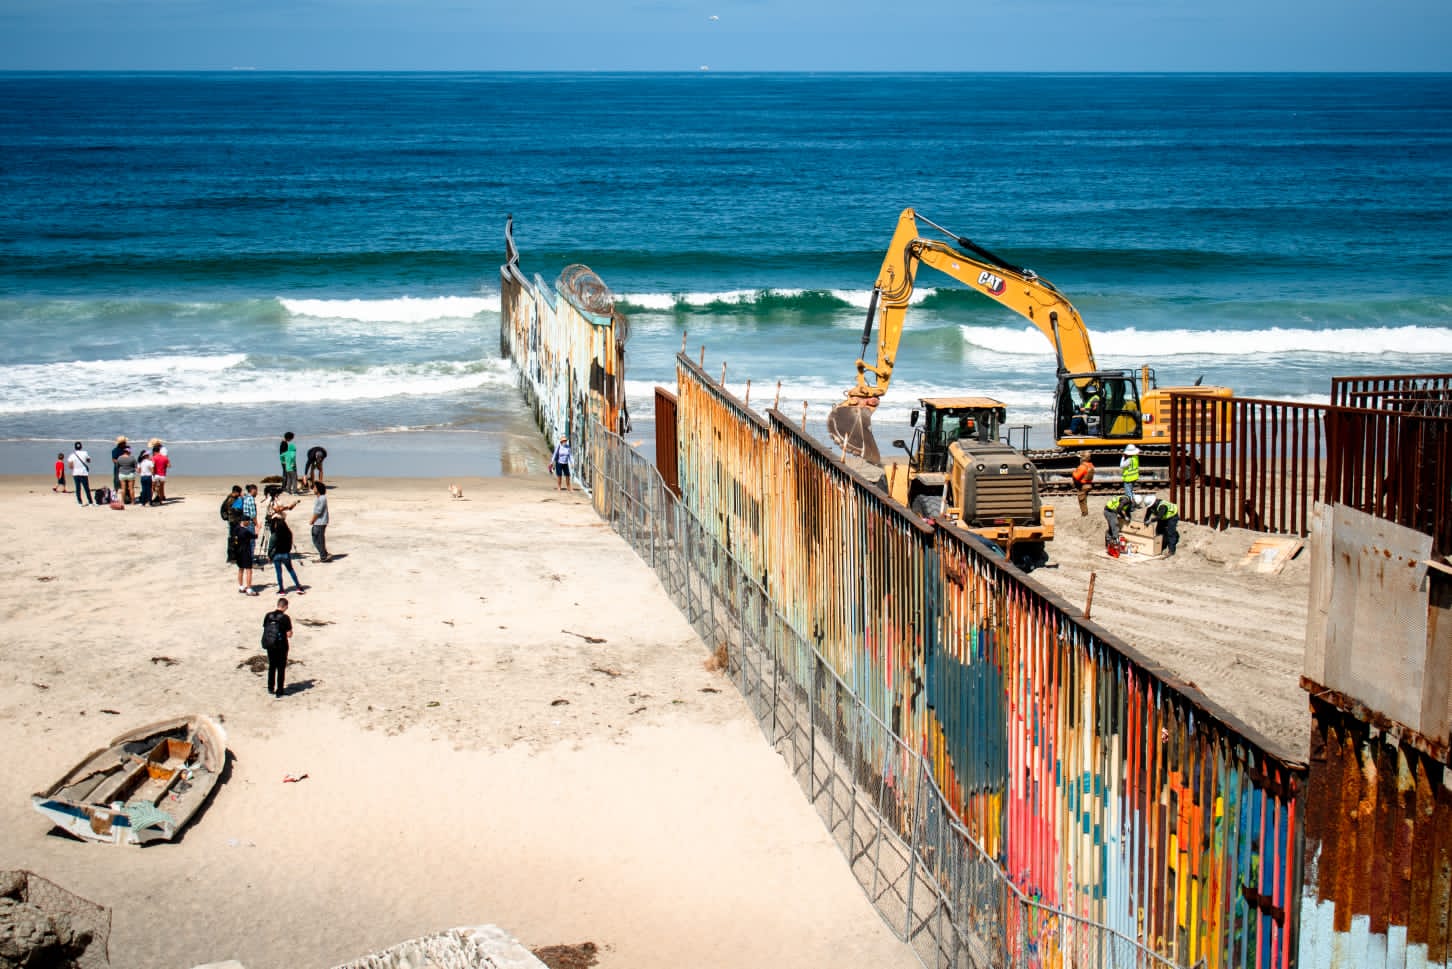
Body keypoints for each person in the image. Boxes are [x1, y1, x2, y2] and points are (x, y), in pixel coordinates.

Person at [261, 597, 293, 698]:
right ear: (285, 606)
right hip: (281, 645)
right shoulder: (285, 618)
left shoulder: (268, 615)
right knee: (281, 668)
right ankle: (279, 690)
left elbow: (265, 627)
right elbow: (289, 634)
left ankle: (270, 688)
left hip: (270, 644)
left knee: (272, 666)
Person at [268, 508, 305, 595]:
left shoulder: (274, 535)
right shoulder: (288, 533)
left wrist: (269, 556)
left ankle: (281, 589)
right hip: (286, 554)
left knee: (279, 573)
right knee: (291, 570)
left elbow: (270, 547)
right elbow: (290, 544)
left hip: (277, 555)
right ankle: (298, 587)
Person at [235, 484, 260, 595]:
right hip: (245, 550)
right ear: (253, 490)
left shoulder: (237, 529)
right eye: (256, 490)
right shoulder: (250, 499)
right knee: (248, 568)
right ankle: (249, 588)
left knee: (240, 569)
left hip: (238, 552)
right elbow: (253, 514)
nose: (257, 492)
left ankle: (241, 587)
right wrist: (257, 525)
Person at [309, 481, 331, 562]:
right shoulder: (320, 498)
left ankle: (323, 556)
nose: (313, 489)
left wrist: (312, 520)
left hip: (320, 522)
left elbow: (318, 511)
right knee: (317, 539)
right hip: (319, 522)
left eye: (314, 487)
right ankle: (324, 554)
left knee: (318, 540)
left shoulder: (322, 498)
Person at [222, 484, 243, 564]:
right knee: (233, 539)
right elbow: (224, 509)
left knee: (234, 538)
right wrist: (228, 517)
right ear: (236, 492)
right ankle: (232, 557)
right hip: (233, 522)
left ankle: (233, 556)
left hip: (233, 521)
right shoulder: (231, 499)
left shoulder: (232, 498)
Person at [1071, 451, 1095, 517]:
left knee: (1082, 500)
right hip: (1089, 484)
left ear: (1083, 458)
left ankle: (1084, 514)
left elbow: (1076, 476)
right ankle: (1085, 513)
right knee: (1084, 500)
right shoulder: (1091, 465)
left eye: (1081, 457)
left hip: (1083, 486)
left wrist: (1074, 472)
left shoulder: (1083, 466)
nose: (1080, 459)